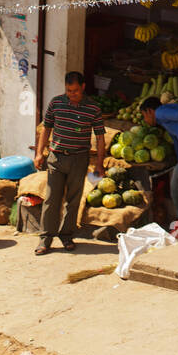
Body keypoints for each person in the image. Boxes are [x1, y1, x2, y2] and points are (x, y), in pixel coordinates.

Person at [33, 71, 106, 255]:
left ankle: (66, 235)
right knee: (51, 199)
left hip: (79, 159)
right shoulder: (56, 103)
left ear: (83, 87)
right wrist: (39, 153)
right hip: (56, 158)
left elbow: (100, 138)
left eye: (75, 90)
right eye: (68, 90)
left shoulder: (93, 108)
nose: (71, 94)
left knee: (73, 200)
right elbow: (46, 129)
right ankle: (45, 239)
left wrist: (99, 164)